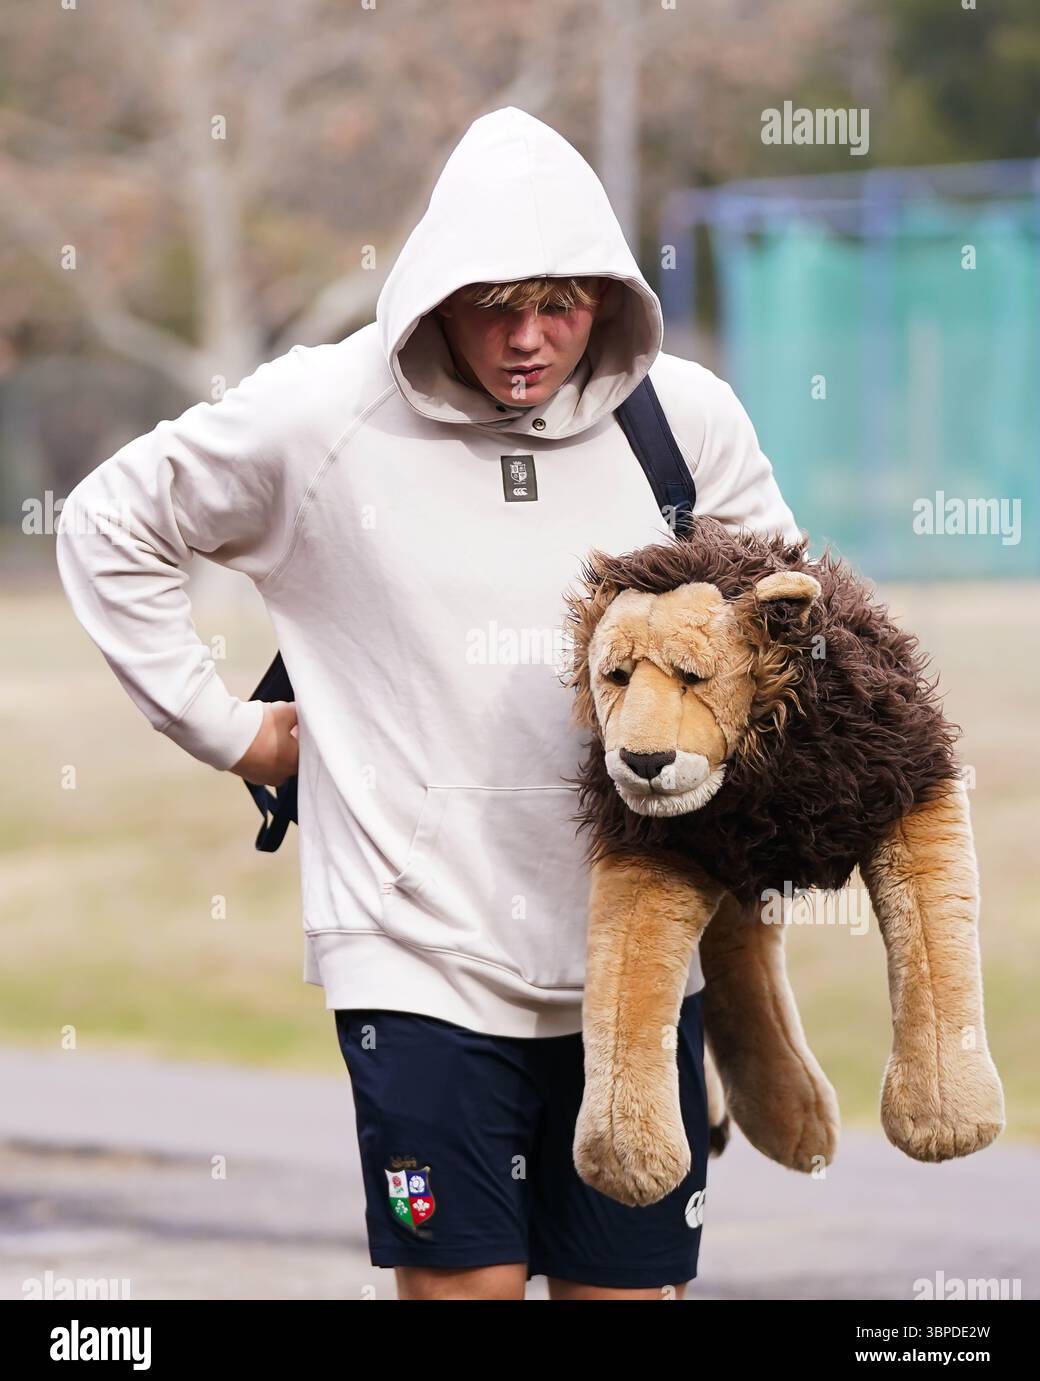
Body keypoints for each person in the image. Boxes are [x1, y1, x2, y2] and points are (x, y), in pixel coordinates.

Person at [55, 106, 801, 1301]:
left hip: (636, 956)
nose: (526, 340)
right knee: (467, 1291)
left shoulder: (680, 420)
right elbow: (107, 523)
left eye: (559, 306)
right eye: (493, 306)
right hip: (412, 956)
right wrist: (227, 727)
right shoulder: (319, 416)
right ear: (434, 295)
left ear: (606, 297)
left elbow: (785, 628)